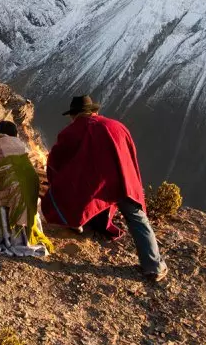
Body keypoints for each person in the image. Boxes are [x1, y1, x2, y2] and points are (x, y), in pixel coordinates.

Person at [41, 95, 168, 281]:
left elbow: (57, 159)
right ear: (94, 111)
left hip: (95, 184)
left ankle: (78, 223)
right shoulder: (117, 126)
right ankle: (153, 266)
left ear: (74, 115)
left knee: (79, 196)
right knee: (136, 218)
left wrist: (59, 176)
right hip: (124, 179)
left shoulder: (73, 131)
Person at [0, 121, 52, 258]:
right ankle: (18, 237)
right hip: (18, 200)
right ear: (14, 135)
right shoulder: (16, 144)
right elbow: (28, 174)